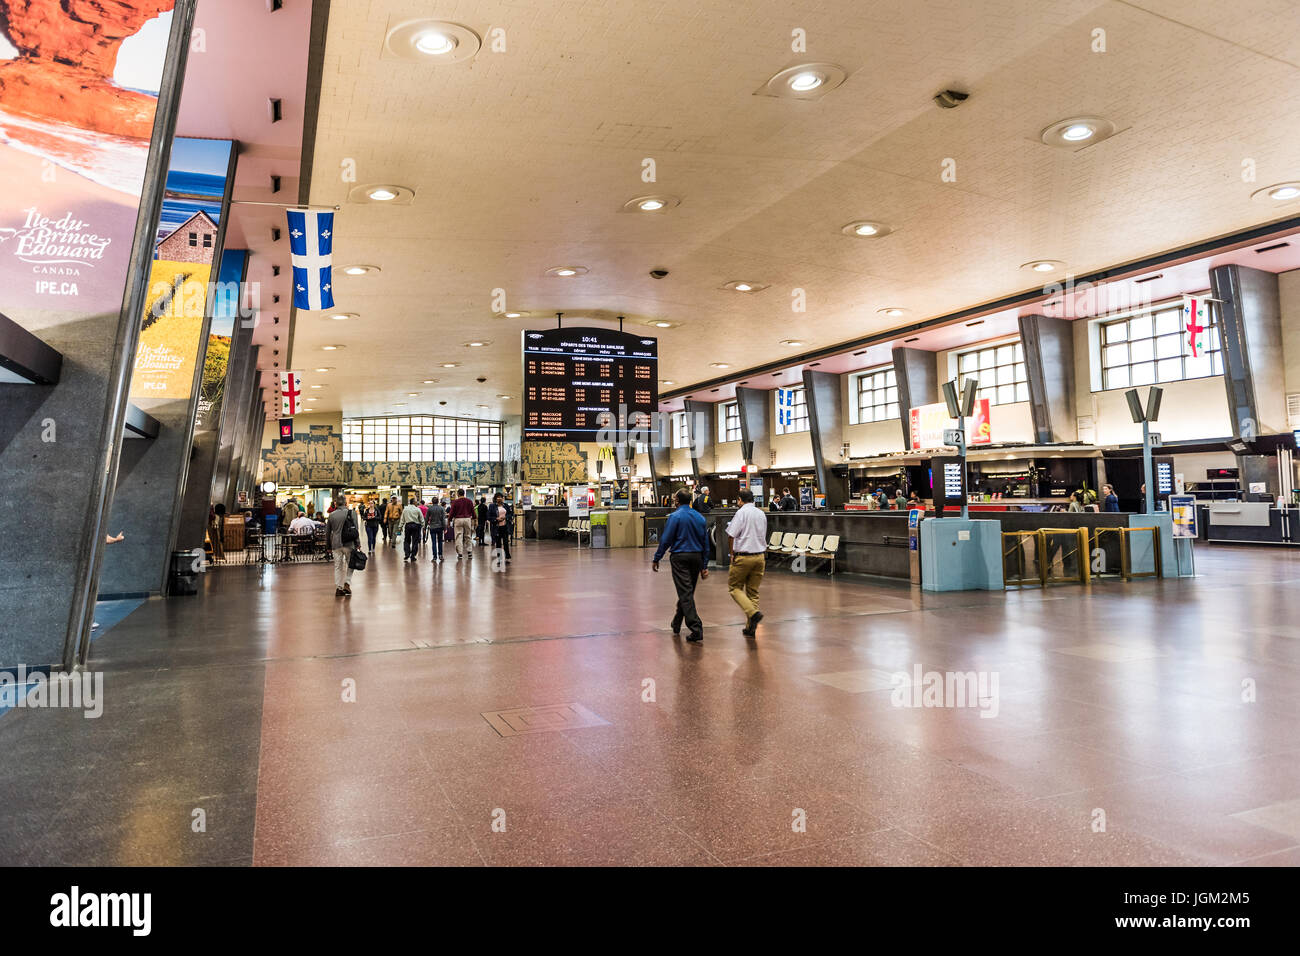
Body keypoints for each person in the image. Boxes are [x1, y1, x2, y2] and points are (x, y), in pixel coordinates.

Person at [652, 489, 710, 643]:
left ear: (677, 500)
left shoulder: (674, 517)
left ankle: (696, 628)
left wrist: (657, 557)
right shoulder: (700, 518)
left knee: (685, 593)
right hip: (696, 557)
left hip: (680, 557)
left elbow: (666, 539)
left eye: (674, 498)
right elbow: (705, 543)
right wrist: (704, 565)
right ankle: (676, 622)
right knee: (687, 591)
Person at [725, 488, 767, 638]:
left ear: (740, 500)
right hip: (760, 557)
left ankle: (753, 613)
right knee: (753, 593)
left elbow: (731, 534)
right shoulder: (761, 513)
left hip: (743, 557)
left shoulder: (741, 512)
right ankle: (750, 627)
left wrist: (732, 554)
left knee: (734, 588)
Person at [326, 496, 359, 596]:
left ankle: (338, 587)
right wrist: (358, 543)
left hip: (336, 544)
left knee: (338, 566)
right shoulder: (352, 513)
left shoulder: (331, 515)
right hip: (349, 543)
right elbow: (355, 530)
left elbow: (327, 533)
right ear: (345, 503)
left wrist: (328, 546)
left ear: (336, 504)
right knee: (351, 564)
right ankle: (347, 583)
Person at [448, 488, 476, 560]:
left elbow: (451, 513)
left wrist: (449, 520)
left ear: (458, 494)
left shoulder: (455, 502)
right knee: (468, 536)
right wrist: (475, 519)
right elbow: (473, 511)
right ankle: (469, 552)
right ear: (464, 494)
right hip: (467, 519)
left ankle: (460, 554)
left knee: (458, 536)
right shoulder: (469, 501)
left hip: (458, 519)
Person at [488, 493, 513, 563]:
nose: (499, 498)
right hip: (497, 527)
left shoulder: (506, 506)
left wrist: (506, 517)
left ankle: (507, 557)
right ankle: (499, 558)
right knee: (498, 543)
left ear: (503, 498)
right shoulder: (492, 506)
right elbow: (489, 516)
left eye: (500, 497)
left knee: (505, 542)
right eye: (498, 497)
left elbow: (510, 514)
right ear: (495, 499)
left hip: (505, 526)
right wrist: (496, 519)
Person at [401, 497, 424, 561]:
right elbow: (421, 519)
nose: (417, 502)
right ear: (414, 502)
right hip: (416, 526)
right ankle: (413, 555)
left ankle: (407, 554)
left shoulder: (405, 509)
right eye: (416, 501)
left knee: (407, 540)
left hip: (408, 525)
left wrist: (400, 527)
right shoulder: (417, 509)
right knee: (415, 541)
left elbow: (402, 519)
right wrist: (423, 526)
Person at [426, 497, 446, 562]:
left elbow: (426, 519)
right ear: (438, 501)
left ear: (432, 501)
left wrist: (424, 527)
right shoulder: (442, 508)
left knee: (434, 542)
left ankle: (434, 557)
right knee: (440, 541)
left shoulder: (429, 509)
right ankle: (440, 555)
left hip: (432, 527)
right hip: (440, 527)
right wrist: (445, 528)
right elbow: (443, 519)